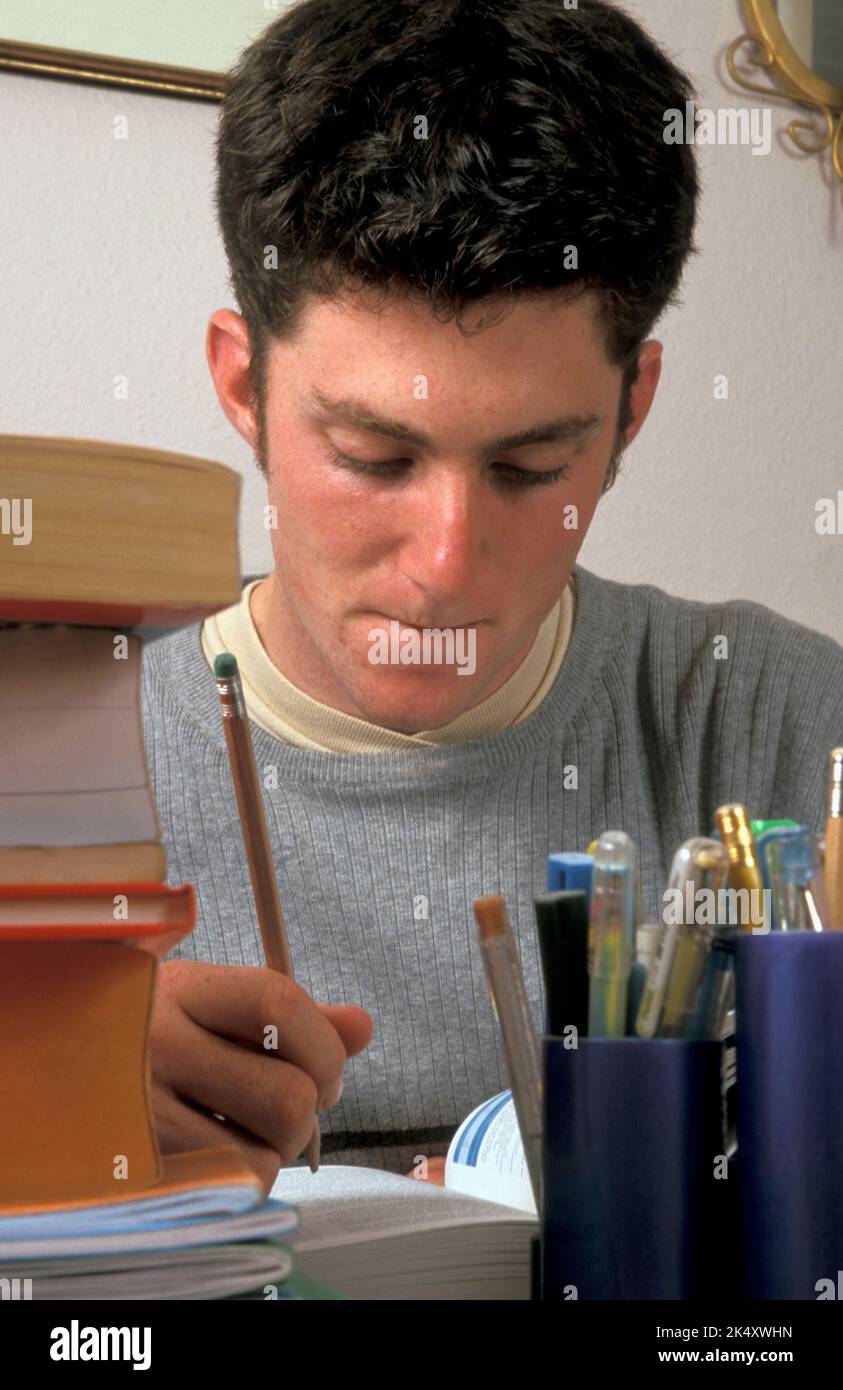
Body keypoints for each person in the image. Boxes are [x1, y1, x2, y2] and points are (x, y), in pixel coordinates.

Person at [142, 0, 843, 1191]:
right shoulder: (51, 754)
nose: (447, 564)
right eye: (372, 457)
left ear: (632, 412)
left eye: (530, 469)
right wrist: (44, 1104)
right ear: (242, 387)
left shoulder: (780, 725)